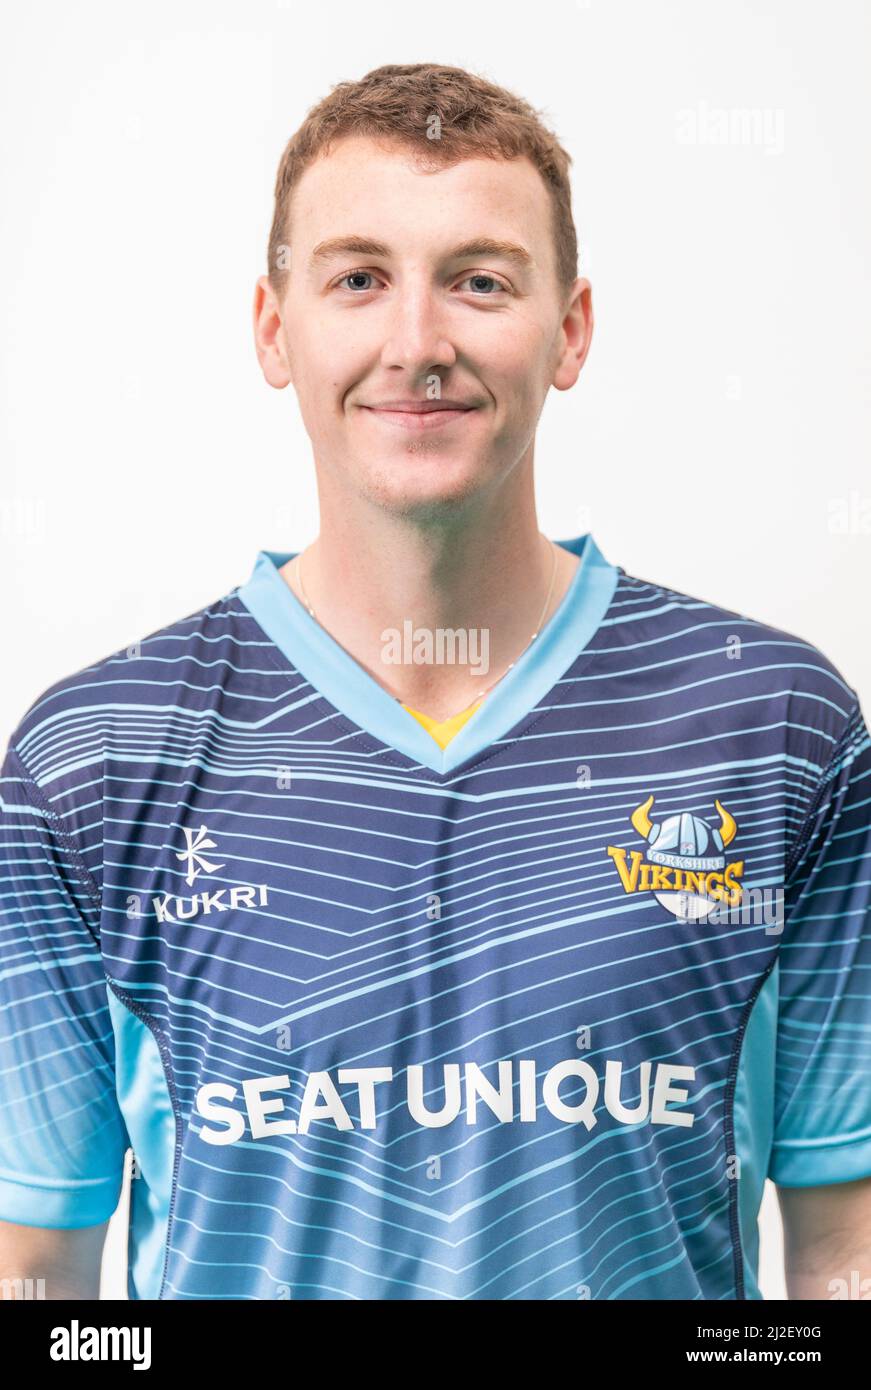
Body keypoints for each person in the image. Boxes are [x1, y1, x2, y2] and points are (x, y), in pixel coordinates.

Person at [1, 62, 869, 1302]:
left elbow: (843, 1247)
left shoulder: (772, 726)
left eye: (479, 280)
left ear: (567, 329)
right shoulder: (93, 759)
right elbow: (36, 1274)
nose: (418, 344)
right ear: (272, 327)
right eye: (358, 279)